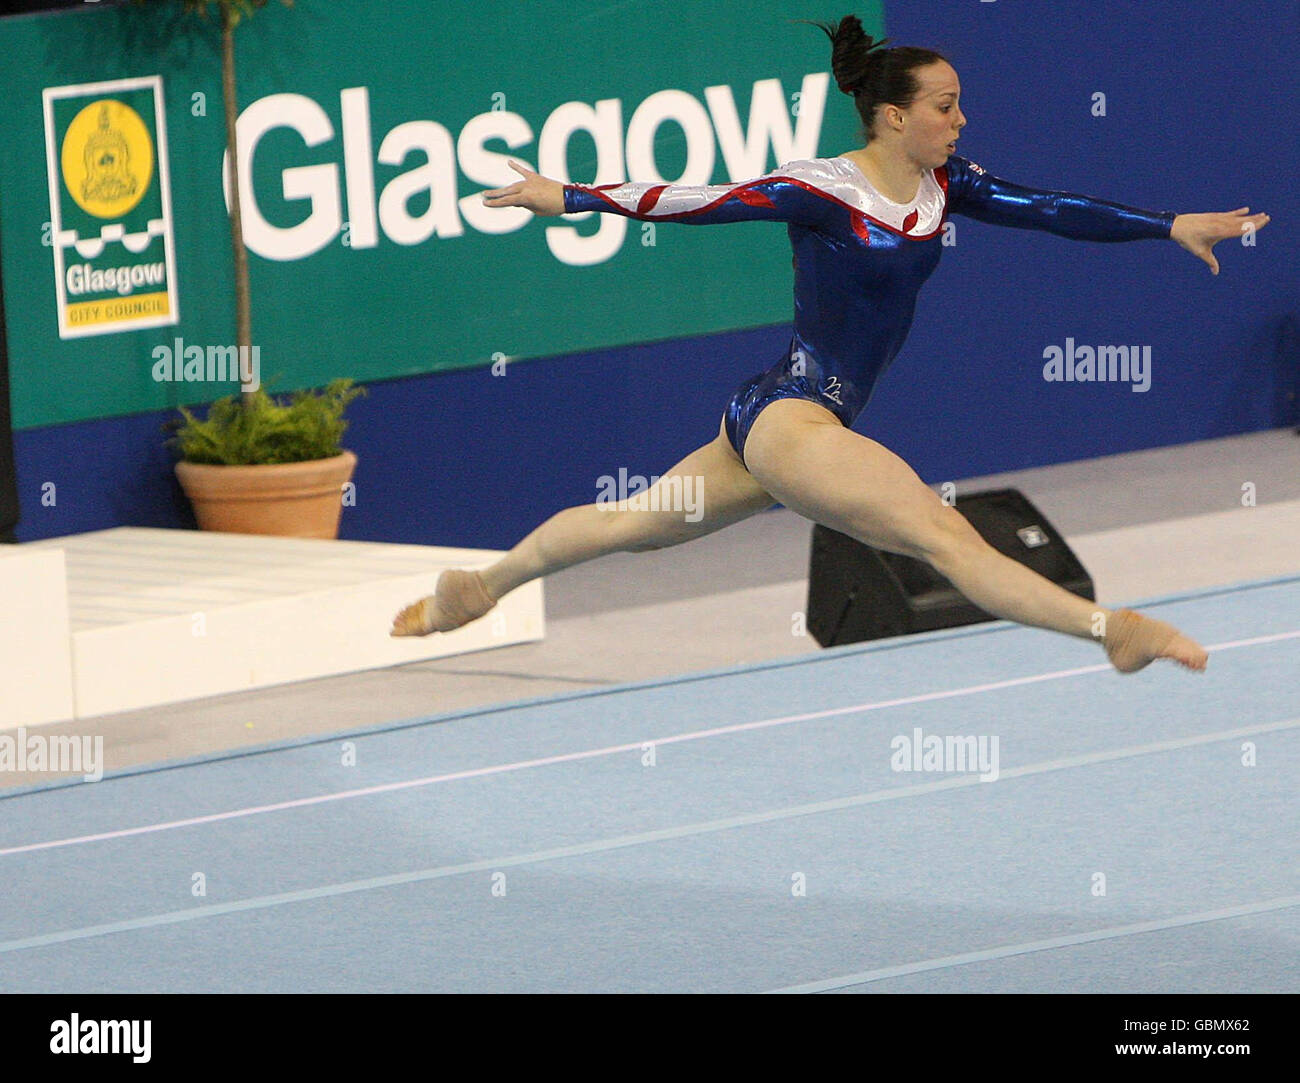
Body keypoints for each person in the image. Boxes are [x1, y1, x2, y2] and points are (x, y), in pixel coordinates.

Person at [393, 16, 1271, 674]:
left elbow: (1047, 209)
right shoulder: (822, 190)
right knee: (940, 532)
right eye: (945, 105)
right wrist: (573, 195)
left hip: (775, 417)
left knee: (637, 526)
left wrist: (1169, 226)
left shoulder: (943, 185)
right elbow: (699, 199)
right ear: (892, 117)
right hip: (794, 421)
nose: (961, 120)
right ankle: (1111, 630)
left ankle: (479, 586)